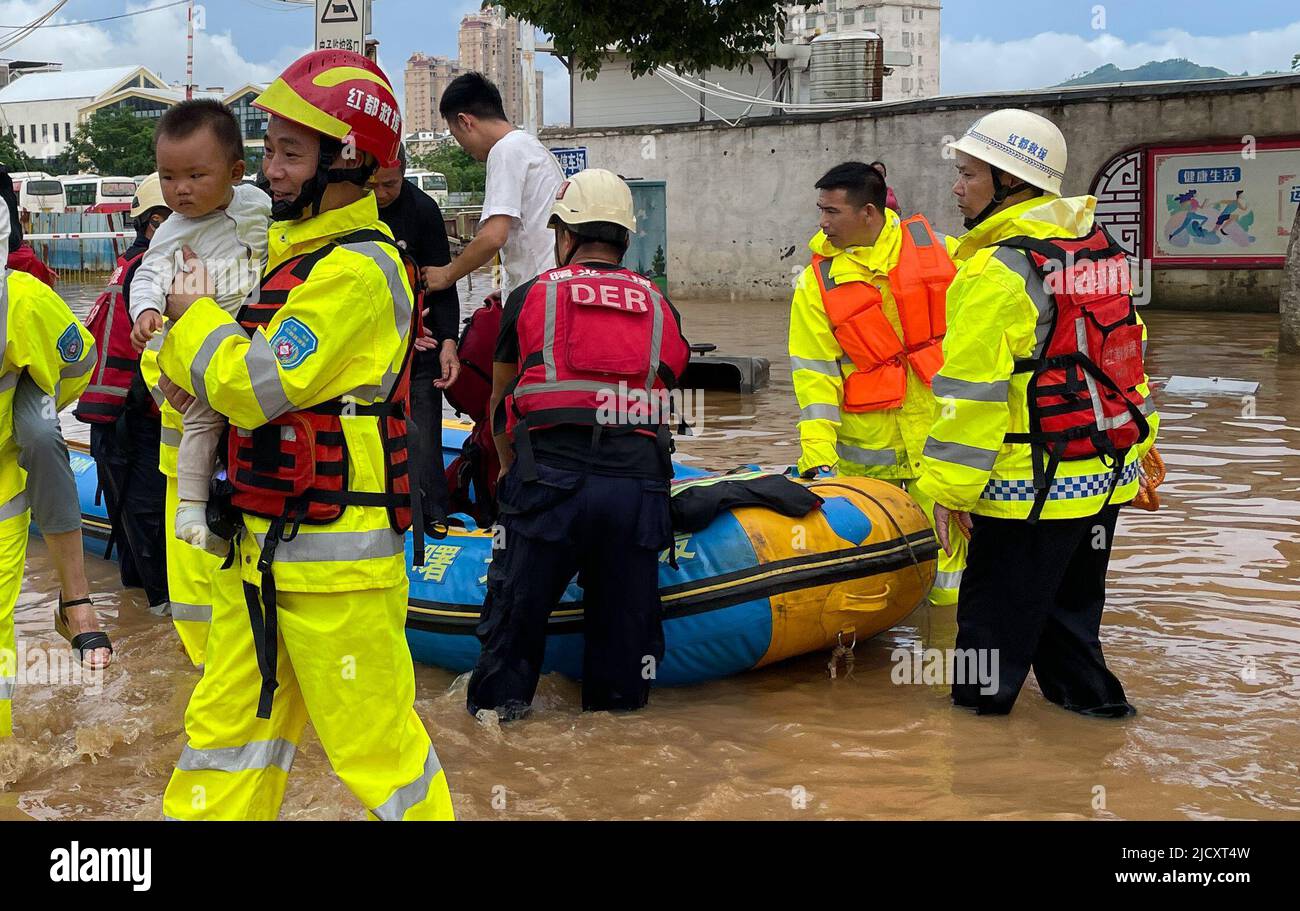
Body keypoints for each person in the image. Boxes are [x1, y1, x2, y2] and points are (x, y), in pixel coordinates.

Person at [156, 49, 453, 820]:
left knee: (377, 751)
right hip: (256, 549)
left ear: (348, 159)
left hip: (337, 572)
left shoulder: (360, 271)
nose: (271, 169)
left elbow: (254, 387)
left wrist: (192, 323)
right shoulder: (288, 256)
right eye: (269, 149)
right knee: (225, 734)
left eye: (291, 152)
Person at [915, 109, 1159, 717]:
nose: (956, 186)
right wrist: (1142, 440)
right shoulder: (1100, 248)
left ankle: (971, 759)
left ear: (1009, 183)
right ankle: (1098, 726)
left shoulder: (998, 271)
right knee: (1068, 622)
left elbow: (970, 396)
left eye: (968, 174)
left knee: (988, 640)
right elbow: (1126, 354)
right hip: (1102, 476)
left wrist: (948, 490)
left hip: (1031, 486)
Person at [466, 168, 690, 720]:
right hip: (637, 489)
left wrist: (508, 479)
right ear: (625, 239)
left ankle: (500, 732)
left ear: (565, 236)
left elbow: (500, 405)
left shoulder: (528, 297)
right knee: (626, 642)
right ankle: (614, 744)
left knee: (513, 627)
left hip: (549, 484)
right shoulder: (661, 305)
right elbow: (667, 391)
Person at [788, 161, 965, 605]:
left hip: (941, 444)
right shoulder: (816, 282)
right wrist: (817, 457)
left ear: (869, 212)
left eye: (832, 212)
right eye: (820, 211)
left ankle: (941, 655)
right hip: (863, 453)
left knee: (949, 569)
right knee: (863, 572)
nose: (822, 223)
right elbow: (815, 377)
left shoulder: (946, 253)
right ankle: (875, 658)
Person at [129, 100, 272, 557]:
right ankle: (192, 506)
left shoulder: (259, 204)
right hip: (204, 341)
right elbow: (149, 272)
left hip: (249, 337)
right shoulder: (172, 231)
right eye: (168, 178)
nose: (180, 190)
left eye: (195, 176)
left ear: (235, 171)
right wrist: (147, 310)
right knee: (203, 416)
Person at [0, 175, 111, 673]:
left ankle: (75, 597)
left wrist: (34, 396)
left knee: (44, 434)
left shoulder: (24, 292)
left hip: (25, 416)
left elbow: (78, 360)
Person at [74, 173, 172, 615]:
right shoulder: (151, 272)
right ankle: (161, 612)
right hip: (134, 421)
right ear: (155, 222)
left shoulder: (129, 265)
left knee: (132, 523)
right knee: (149, 521)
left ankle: (140, 614)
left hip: (111, 419)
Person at [373, 143, 461, 523]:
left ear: (403, 173)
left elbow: (443, 280)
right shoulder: (347, 209)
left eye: (390, 185)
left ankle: (433, 516)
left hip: (421, 345)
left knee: (424, 436)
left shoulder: (422, 209)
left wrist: (448, 342)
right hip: (371, 346)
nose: (380, 194)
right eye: (372, 185)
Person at [424, 72, 565, 301]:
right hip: (549, 288)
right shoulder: (531, 147)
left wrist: (447, 275)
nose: (461, 146)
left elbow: (492, 237)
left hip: (537, 296)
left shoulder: (505, 151)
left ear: (465, 121)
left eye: (455, 134)